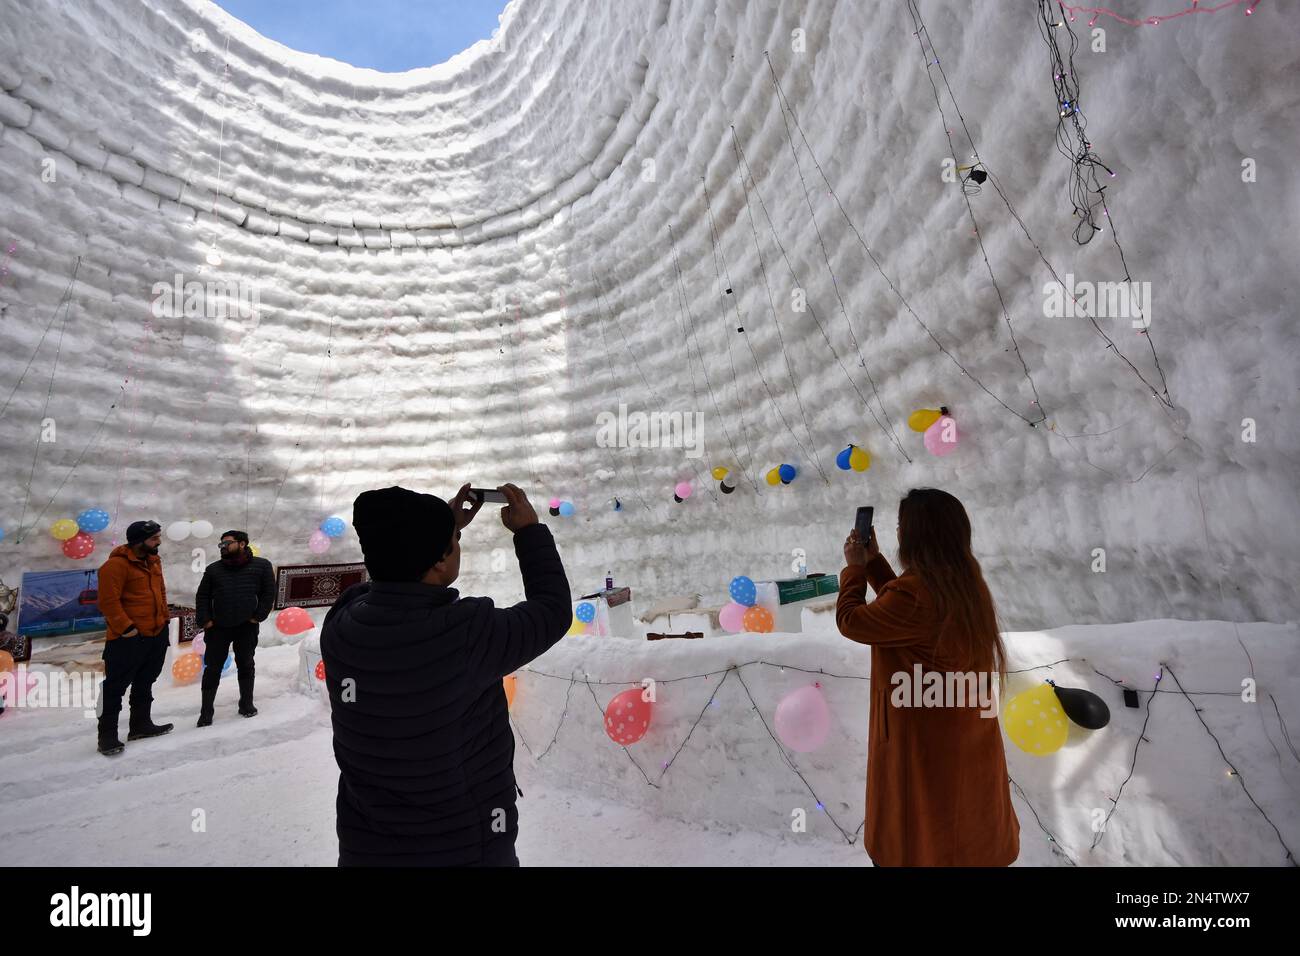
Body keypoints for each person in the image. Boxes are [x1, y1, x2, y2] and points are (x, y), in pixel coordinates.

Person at [321, 482, 571, 866]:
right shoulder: (467, 633)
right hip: (465, 848)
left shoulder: (343, 622)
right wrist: (528, 532)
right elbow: (551, 611)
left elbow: (391, 574)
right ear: (440, 560)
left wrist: (437, 531)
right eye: (454, 542)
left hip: (366, 846)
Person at [837, 488, 1020, 866]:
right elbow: (903, 611)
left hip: (921, 746)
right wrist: (875, 565)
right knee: (967, 829)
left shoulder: (916, 594)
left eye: (903, 526)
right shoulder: (966, 582)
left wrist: (855, 568)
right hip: (965, 735)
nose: (900, 532)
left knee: (922, 839)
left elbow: (852, 621)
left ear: (918, 535)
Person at [95, 520, 174, 756]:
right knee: (114, 688)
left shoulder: (154, 561)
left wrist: (165, 619)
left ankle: (140, 725)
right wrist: (127, 628)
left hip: (156, 633)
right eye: (154, 538)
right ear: (139, 541)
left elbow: (160, 591)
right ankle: (107, 736)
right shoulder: (115, 566)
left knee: (145, 682)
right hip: (127, 638)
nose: (159, 542)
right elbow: (108, 602)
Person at [194, 530, 276, 725]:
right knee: (212, 668)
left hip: (246, 626)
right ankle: (206, 712)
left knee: (246, 663)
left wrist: (258, 616)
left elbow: (268, 592)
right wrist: (205, 620)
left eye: (227, 543)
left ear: (242, 543)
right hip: (218, 627)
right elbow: (202, 596)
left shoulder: (262, 566)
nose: (223, 547)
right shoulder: (213, 569)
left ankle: (246, 704)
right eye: (221, 544)